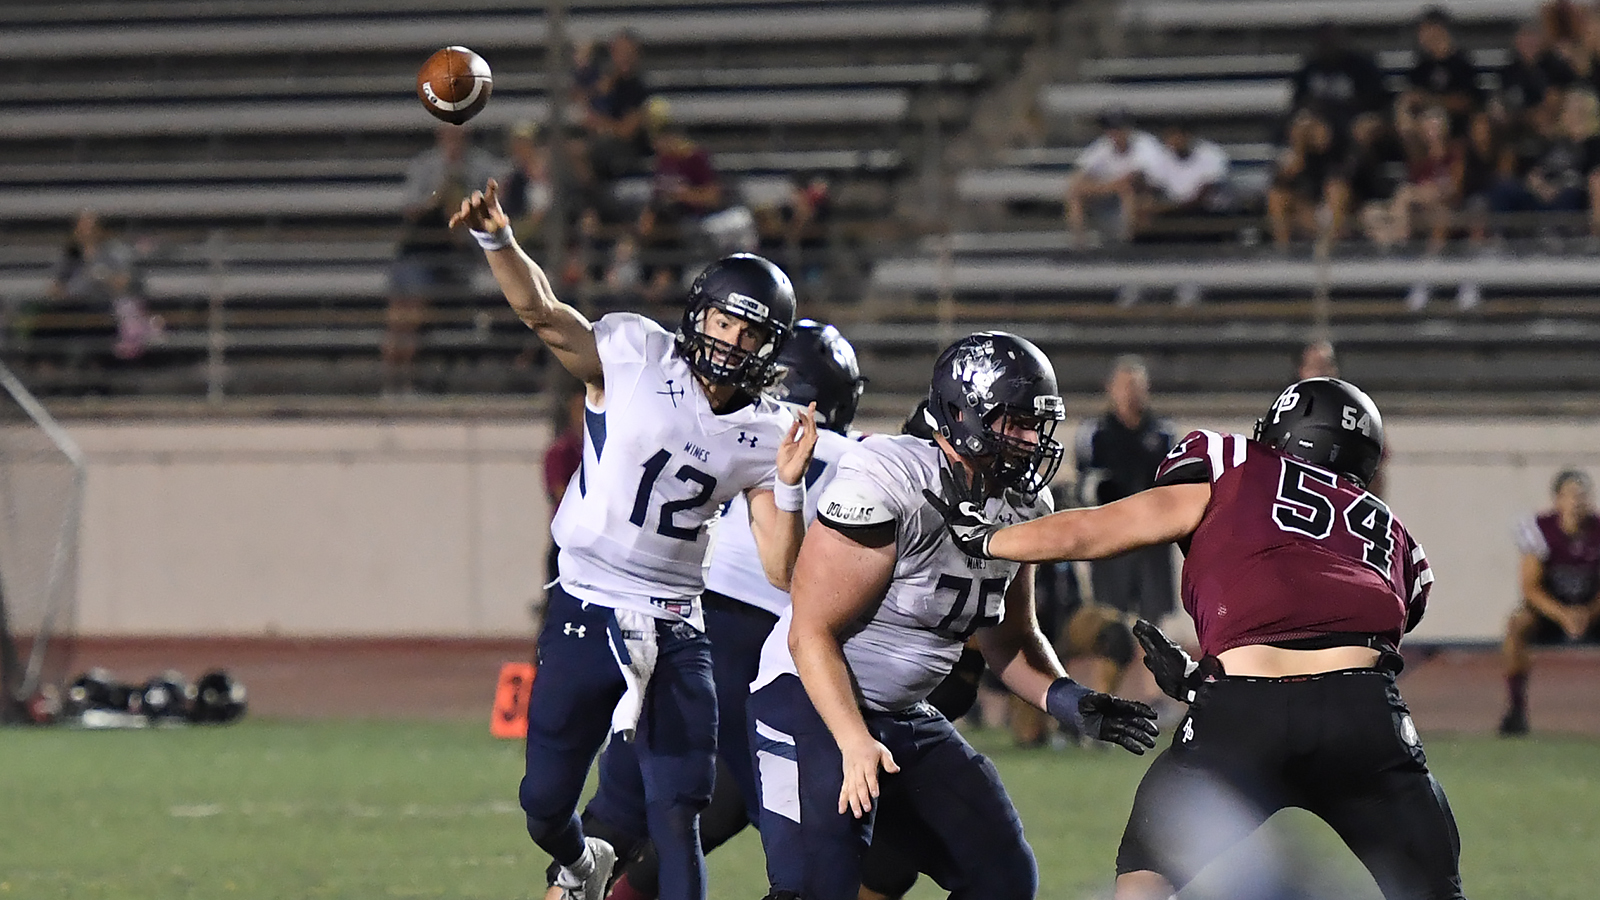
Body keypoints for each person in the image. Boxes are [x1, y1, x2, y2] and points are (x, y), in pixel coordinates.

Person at [927, 377, 1466, 900]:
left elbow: (1096, 530)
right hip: (1366, 717)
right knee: (1436, 889)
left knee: (1143, 880)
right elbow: (1338, 633)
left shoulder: (1236, 465)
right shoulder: (1392, 533)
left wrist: (988, 538)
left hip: (1242, 713)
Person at [451, 180, 820, 900]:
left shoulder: (768, 435)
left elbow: (783, 570)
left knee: (677, 806)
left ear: (770, 347)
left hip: (676, 622)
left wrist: (792, 485)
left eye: (750, 333)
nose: (731, 342)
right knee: (543, 805)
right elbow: (542, 313)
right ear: (697, 318)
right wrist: (498, 238)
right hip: (584, 605)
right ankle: (580, 864)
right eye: (723, 324)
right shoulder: (634, 357)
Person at [751, 331, 1158, 900]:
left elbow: (1010, 638)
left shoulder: (1024, 503)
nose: (1030, 440)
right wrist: (852, 740)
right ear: (965, 414)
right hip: (811, 702)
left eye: (1033, 424)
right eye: (1012, 423)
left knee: (1003, 879)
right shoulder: (890, 477)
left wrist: (1069, 700)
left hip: (902, 713)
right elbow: (809, 632)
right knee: (814, 889)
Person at [556, 320, 866, 900]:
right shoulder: (861, 459)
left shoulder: (732, 430)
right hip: (768, 650)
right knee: (825, 861)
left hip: (675, 630)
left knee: (617, 828)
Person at [387, 125, 503, 394]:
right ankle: (393, 384)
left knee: (414, 317)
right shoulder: (425, 165)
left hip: (451, 259)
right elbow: (411, 209)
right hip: (417, 253)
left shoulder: (480, 167)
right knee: (397, 320)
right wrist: (439, 195)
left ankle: (406, 383)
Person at [1075, 356, 1179, 623]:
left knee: (1152, 621)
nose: (1131, 393)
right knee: (1109, 617)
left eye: (1137, 386)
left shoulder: (1163, 433)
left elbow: (1175, 484)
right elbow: (1085, 485)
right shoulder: (1095, 432)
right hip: (1111, 536)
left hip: (1152, 538)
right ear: (1110, 388)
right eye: (1125, 386)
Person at [1500, 469, 1600, 735]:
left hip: (1592, 610)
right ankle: (1516, 710)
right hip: (1551, 612)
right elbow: (1530, 588)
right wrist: (1563, 615)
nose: (1577, 502)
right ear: (1557, 500)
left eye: (1582, 496)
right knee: (1517, 625)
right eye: (1570, 495)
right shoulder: (1540, 530)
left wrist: (1588, 613)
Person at [47, 210, 162, 360]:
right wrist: (66, 292)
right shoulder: (70, 254)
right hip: (75, 305)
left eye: (89, 228)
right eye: (81, 228)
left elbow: (123, 282)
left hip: (106, 307)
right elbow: (55, 288)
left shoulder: (114, 251)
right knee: (48, 317)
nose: (85, 233)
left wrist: (103, 277)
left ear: (100, 229)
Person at [1064, 109, 1169, 249]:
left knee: (1128, 190)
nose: (1114, 133)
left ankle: (1128, 243)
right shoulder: (1103, 145)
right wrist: (1104, 187)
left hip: (1150, 192)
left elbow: (1135, 178)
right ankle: (1079, 244)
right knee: (1075, 193)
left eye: (1118, 128)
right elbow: (1077, 177)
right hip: (1111, 192)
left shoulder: (1145, 143)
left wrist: (1107, 187)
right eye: (1110, 128)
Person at [1267, 106, 1344, 249]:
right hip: (1307, 211)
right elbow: (1281, 182)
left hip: (1336, 212)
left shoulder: (1338, 153)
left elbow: (1342, 183)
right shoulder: (1293, 156)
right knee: (1277, 197)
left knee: (1336, 189)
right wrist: (1299, 147)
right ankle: (1283, 250)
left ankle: (1329, 248)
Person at [1290, 22, 1389, 130]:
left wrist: (1339, 105)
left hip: (1355, 122)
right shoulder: (1308, 70)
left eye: (1332, 39)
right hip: (1318, 124)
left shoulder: (1363, 67)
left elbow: (1375, 99)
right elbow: (1299, 101)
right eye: (1324, 41)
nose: (1329, 44)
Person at [1400, 7, 1482, 131]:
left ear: (1439, 29)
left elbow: (1466, 102)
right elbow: (1413, 95)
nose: (1420, 35)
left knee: (1434, 122)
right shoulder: (1422, 66)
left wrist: (1430, 101)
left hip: (1456, 124)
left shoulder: (1461, 64)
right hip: (1423, 124)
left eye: (1424, 29)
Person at [586, 30, 652, 179]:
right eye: (619, 52)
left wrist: (602, 123)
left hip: (629, 151)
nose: (623, 58)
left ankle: (598, 199)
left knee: (580, 155)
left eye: (628, 53)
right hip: (604, 146)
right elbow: (587, 114)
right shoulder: (607, 85)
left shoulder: (638, 89)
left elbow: (626, 131)